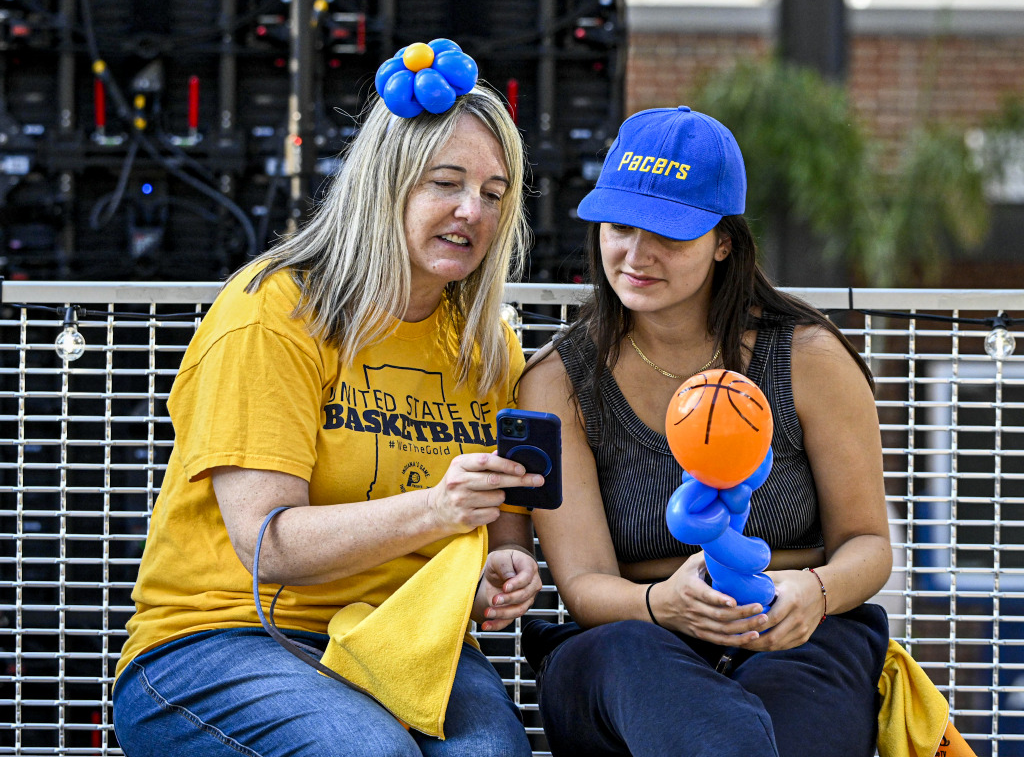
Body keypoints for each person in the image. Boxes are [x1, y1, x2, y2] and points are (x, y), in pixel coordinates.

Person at [112, 56, 542, 757]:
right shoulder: (275, 312)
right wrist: (434, 508)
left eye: (495, 194)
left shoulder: (487, 345)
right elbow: (265, 546)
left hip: (401, 643)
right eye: (447, 183)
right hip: (219, 641)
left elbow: (503, 525)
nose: (474, 210)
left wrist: (504, 565)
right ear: (384, 185)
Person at [517, 106, 893, 757]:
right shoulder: (557, 381)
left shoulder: (807, 358)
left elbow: (867, 543)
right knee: (666, 689)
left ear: (724, 240)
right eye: (620, 226)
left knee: (776, 725)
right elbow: (582, 585)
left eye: (667, 232)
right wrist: (664, 603)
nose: (636, 254)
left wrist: (814, 592)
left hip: (794, 627)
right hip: (631, 636)